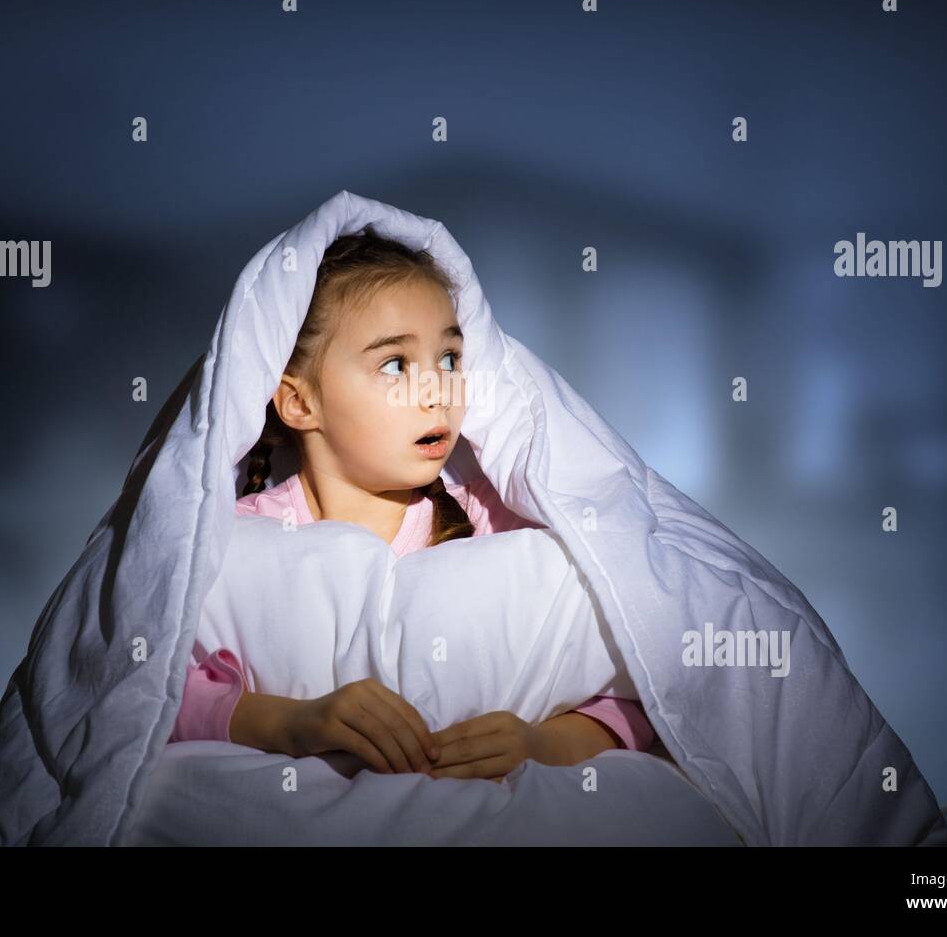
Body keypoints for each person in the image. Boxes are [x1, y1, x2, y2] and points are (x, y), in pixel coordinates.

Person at [169, 228, 658, 782]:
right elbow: (137, 695)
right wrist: (291, 722)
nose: (437, 391)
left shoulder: (500, 525)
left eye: (449, 358)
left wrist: (548, 742)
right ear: (300, 402)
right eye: (397, 364)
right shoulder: (236, 543)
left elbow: (646, 674)